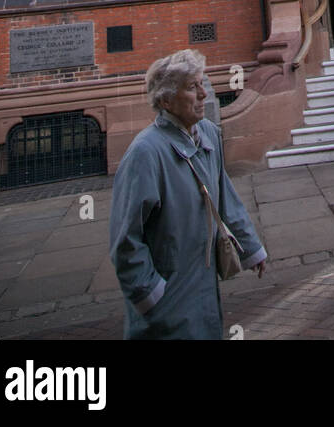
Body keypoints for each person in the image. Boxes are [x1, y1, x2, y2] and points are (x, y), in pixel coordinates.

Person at [109, 49, 267, 340]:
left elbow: (224, 198)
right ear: (166, 100)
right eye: (193, 87)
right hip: (167, 295)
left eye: (202, 84)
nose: (204, 95)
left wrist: (251, 248)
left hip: (202, 282)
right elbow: (125, 240)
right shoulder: (146, 153)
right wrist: (150, 295)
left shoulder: (207, 133)